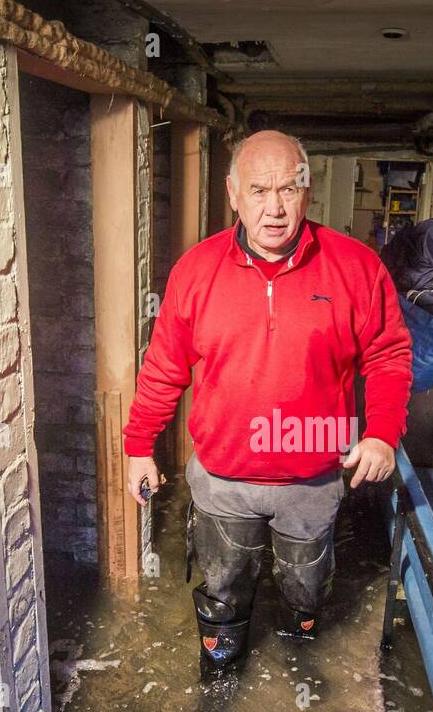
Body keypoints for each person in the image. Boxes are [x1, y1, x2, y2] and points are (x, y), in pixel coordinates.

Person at [122, 130, 413, 674]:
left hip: (314, 477)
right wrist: (140, 445)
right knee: (224, 586)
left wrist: (381, 432)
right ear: (233, 193)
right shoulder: (196, 270)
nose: (275, 209)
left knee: (305, 590)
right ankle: (224, 669)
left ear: (308, 192)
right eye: (259, 191)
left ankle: (297, 663)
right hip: (223, 477)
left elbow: (389, 355)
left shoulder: (356, 267)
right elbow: (164, 367)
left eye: (288, 189)